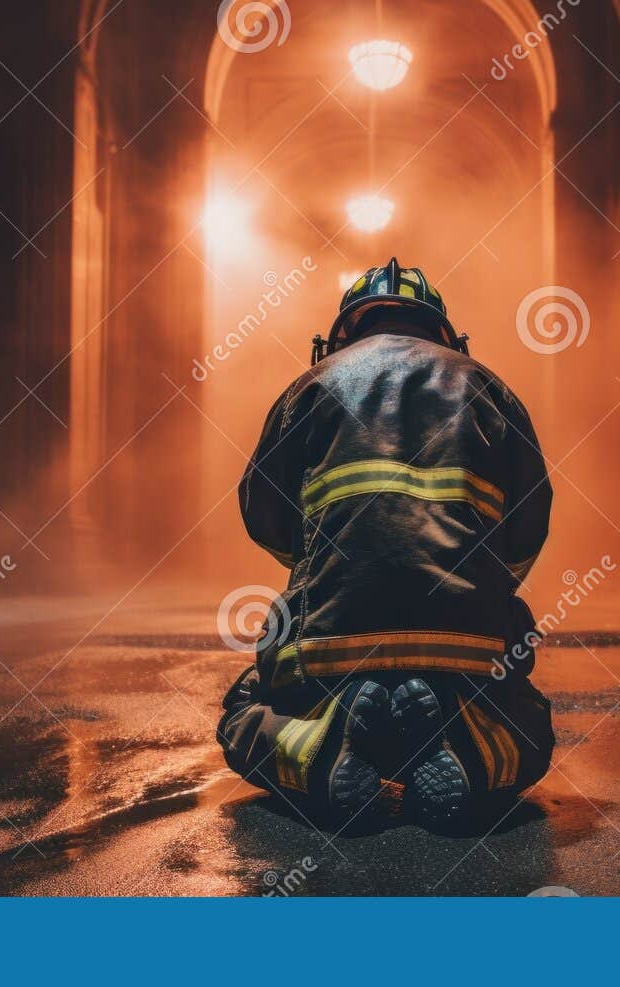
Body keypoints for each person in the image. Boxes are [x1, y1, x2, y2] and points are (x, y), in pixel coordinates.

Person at [217, 259, 555, 831]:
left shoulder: (308, 387)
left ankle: (322, 747)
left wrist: (328, 563)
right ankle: (468, 747)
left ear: (342, 333)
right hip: (468, 653)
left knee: (240, 711)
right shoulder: (490, 388)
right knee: (533, 729)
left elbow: (264, 517)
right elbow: (526, 531)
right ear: (446, 333)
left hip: (329, 648)